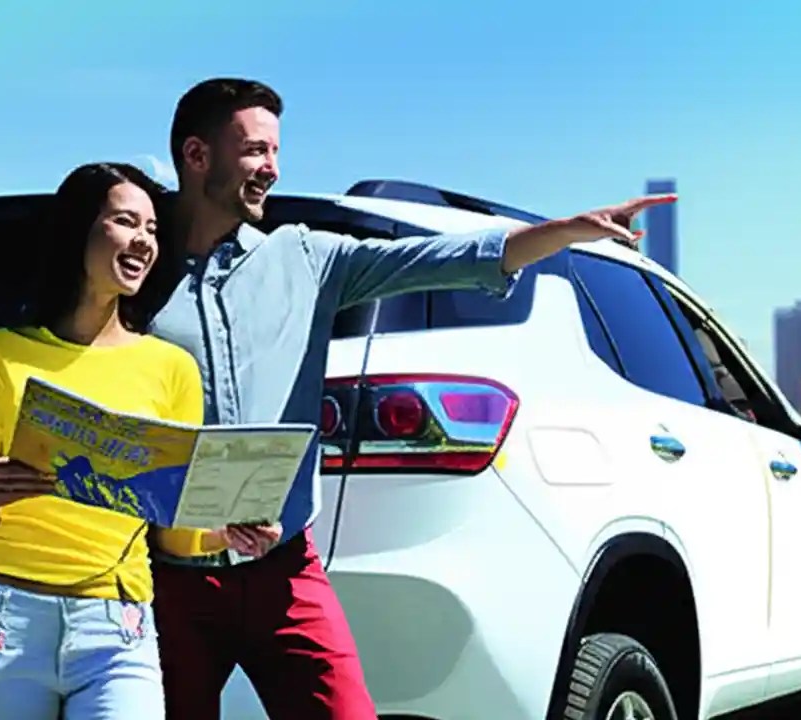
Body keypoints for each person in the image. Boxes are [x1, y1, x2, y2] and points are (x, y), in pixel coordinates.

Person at [147, 77, 677, 720]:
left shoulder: (307, 259)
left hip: (282, 573)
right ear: (198, 156)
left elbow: (433, 260)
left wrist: (559, 234)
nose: (272, 170)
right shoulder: (136, 276)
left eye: (276, 152)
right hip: (167, 580)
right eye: (256, 151)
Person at [0, 162, 252, 719]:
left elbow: (177, 537)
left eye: (153, 229)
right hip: (7, 618)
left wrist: (228, 533)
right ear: (79, 230)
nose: (143, 240)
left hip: (119, 625)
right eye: (125, 222)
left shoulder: (171, 369)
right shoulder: (2, 352)